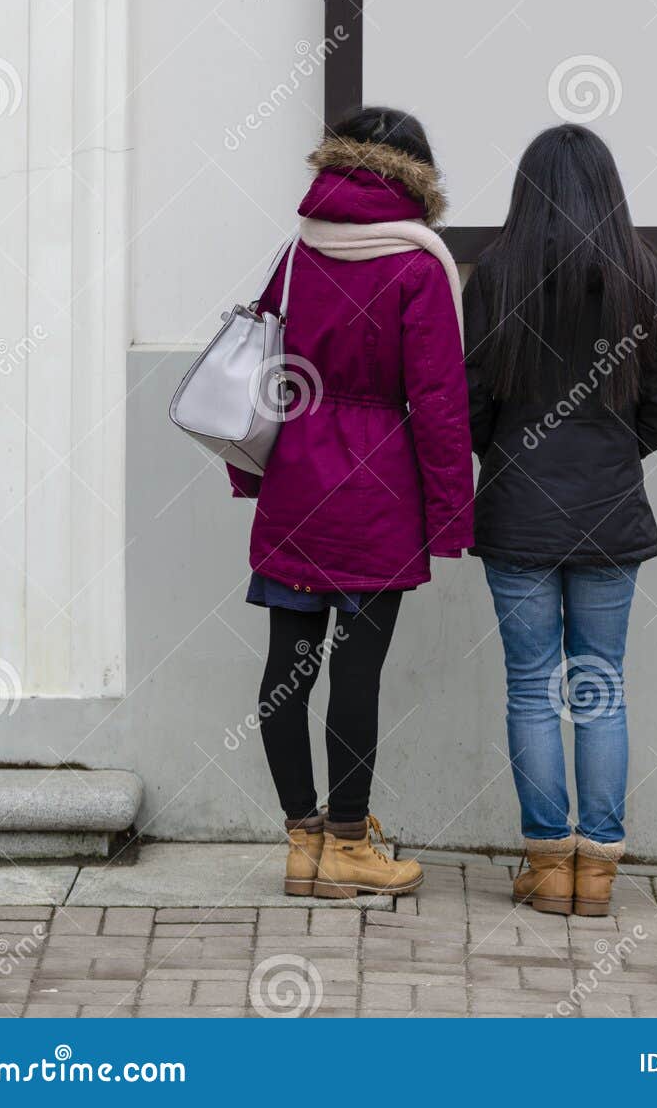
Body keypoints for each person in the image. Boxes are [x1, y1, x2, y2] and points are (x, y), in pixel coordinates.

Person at [228, 107, 473, 899]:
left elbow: (260, 370)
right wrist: (451, 517)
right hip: (378, 496)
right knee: (355, 675)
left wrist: (251, 478)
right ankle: (349, 846)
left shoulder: (298, 252)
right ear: (417, 177)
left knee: (286, 671)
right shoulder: (417, 266)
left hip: (297, 482)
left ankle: (303, 844)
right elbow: (438, 402)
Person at [465, 124, 657, 917]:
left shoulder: (495, 275)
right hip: (609, 512)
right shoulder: (643, 272)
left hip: (517, 512)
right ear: (609, 188)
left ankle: (546, 864)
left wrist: (505, 453)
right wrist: (620, 447)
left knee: (532, 688)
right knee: (600, 686)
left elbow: (469, 402)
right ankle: (596, 871)